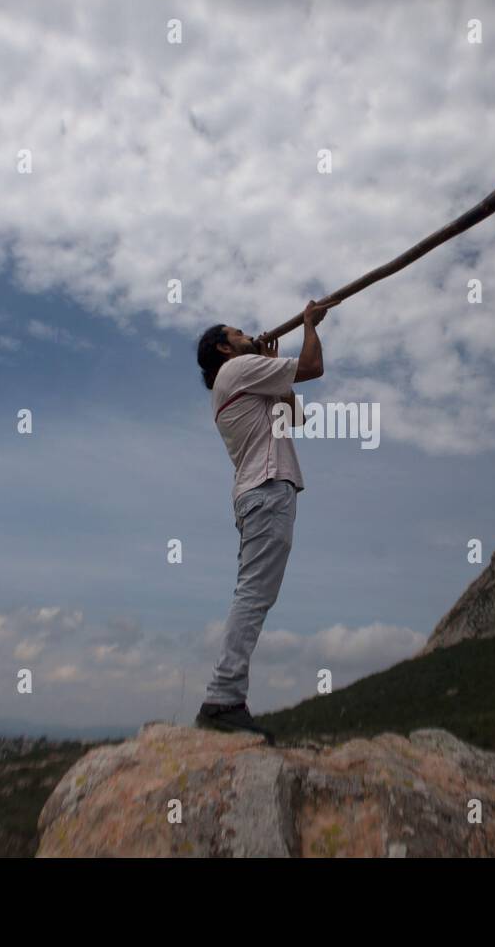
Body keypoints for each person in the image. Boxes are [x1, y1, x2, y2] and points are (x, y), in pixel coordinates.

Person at [193, 300, 329, 743]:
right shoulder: (236, 372)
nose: (248, 334)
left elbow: (295, 418)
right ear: (223, 348)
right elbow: (313, 366)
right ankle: (223, 697)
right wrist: (309, 325)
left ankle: (225, 695)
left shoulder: (244, 378)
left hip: (261, 493)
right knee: (253, 594)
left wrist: (272, 366)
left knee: (253, 594)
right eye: (238, 333)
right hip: (267, 490)